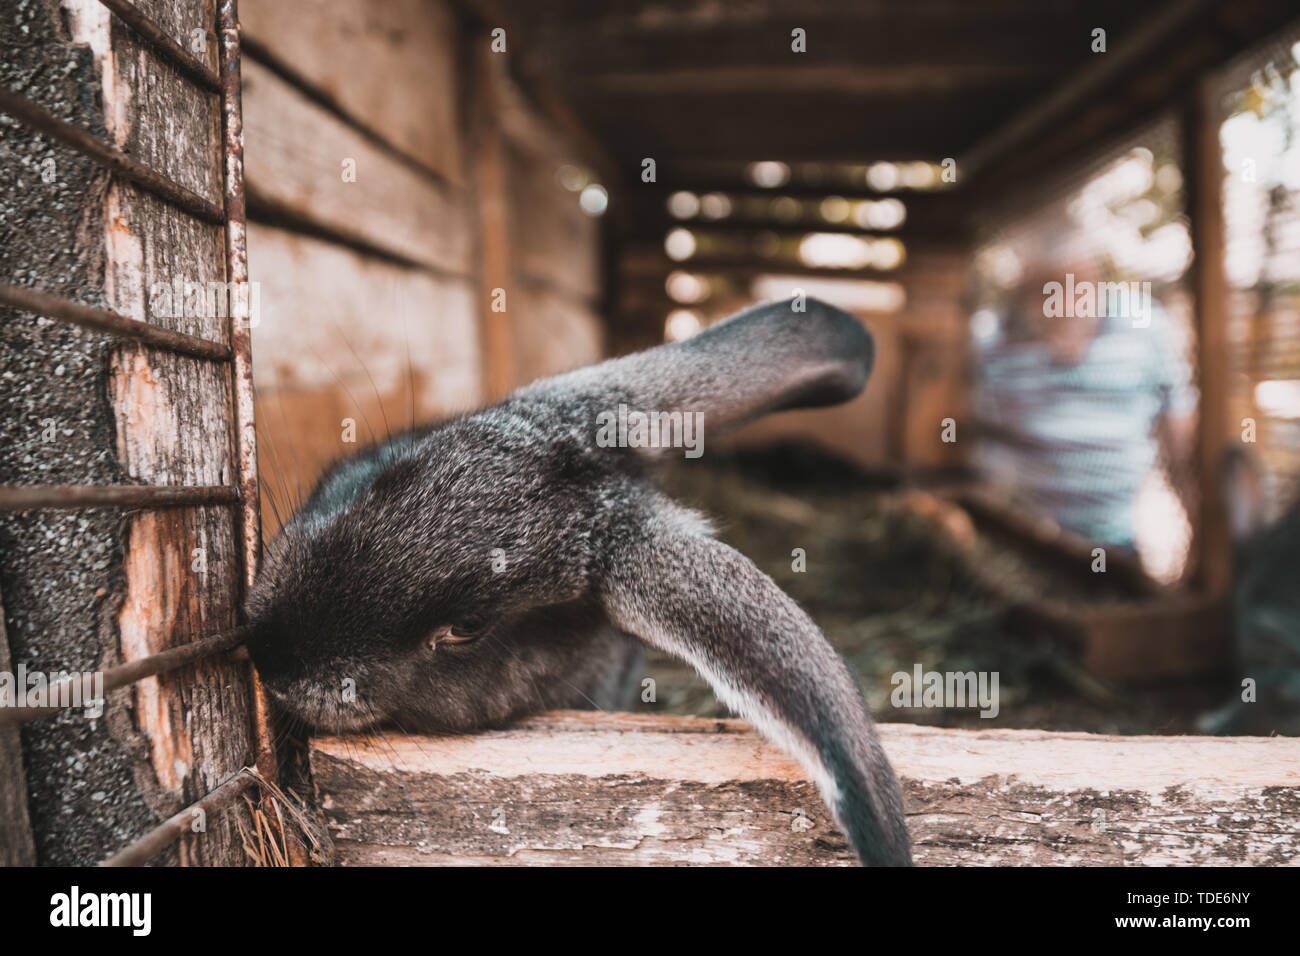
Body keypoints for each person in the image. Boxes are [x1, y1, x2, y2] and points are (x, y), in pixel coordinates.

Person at [973, 263, 1197, 552]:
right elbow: (968, 441)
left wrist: (1198, 532)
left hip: (1115, 542)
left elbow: (1181, 439)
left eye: (1077, 284)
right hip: (1018, 541)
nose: (1063, 301)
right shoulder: (989, 337)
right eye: (1047, 288)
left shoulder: (1143, 324)